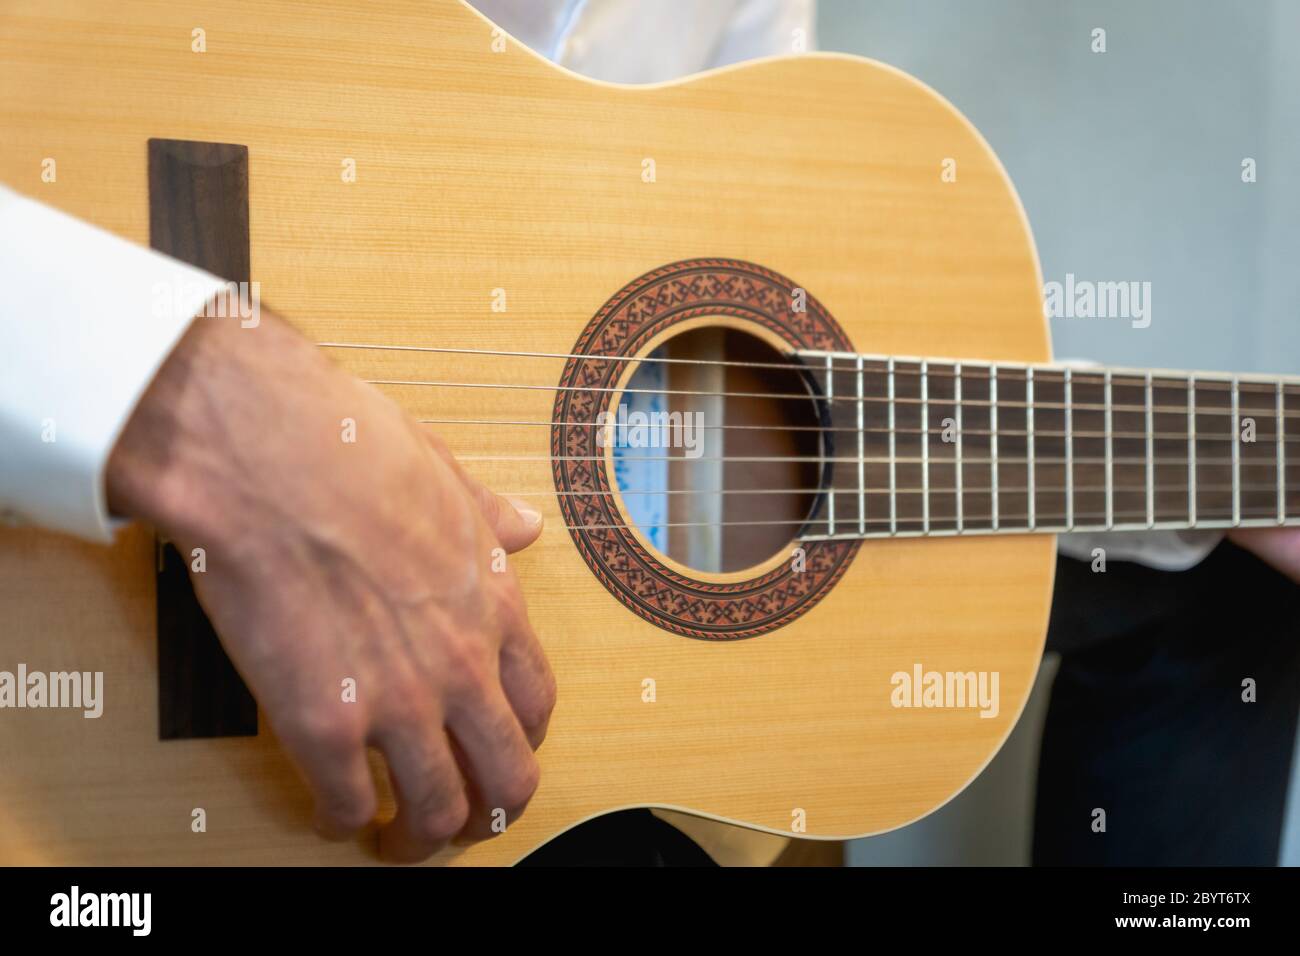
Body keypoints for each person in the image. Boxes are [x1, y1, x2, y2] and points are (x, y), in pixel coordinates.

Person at [1, 0, 1296, 865]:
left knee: (1233, 588)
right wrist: (195, 398)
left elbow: (739, 289)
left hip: (517, 709)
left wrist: (1214, 475)